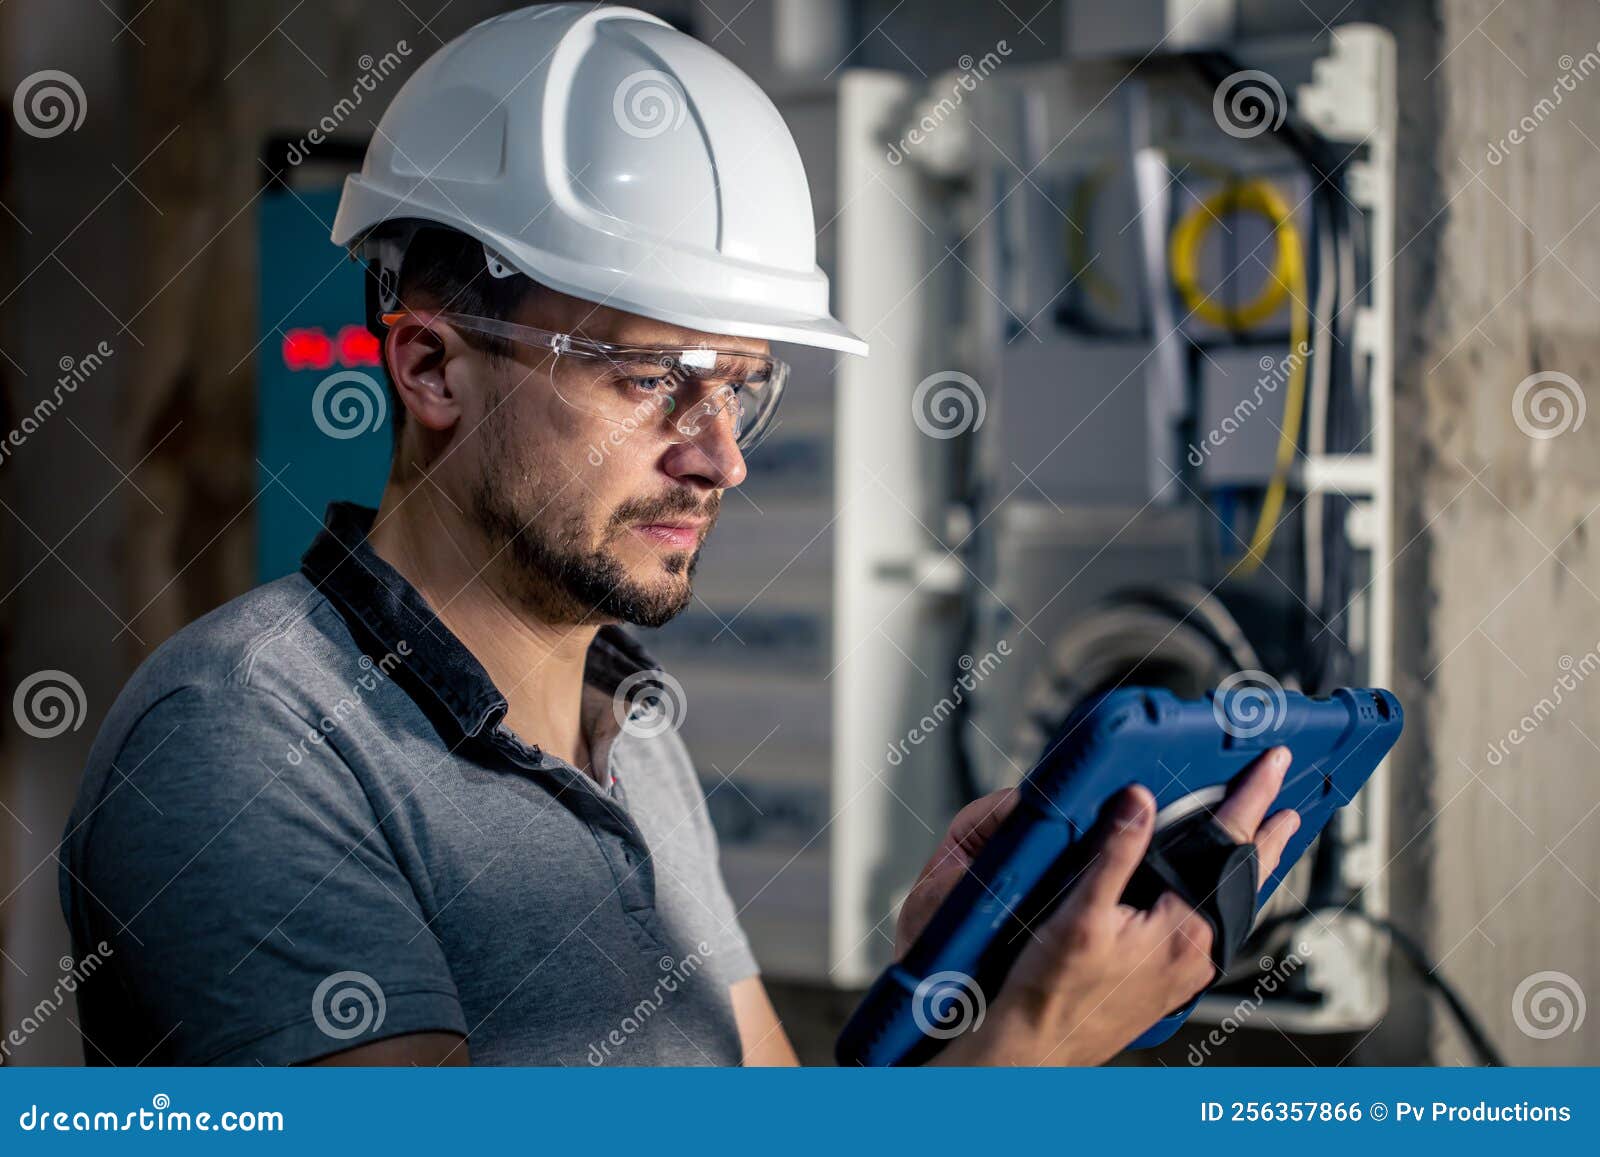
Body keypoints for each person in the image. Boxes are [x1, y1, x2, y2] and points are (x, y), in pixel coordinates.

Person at [58, 3, 1299, 1066]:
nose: (723, 454)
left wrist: (965, 991)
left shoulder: (625, 731)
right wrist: (1025, 1064)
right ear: (432, 364)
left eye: (740, 385)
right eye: (651, 378)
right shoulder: (246, 744)